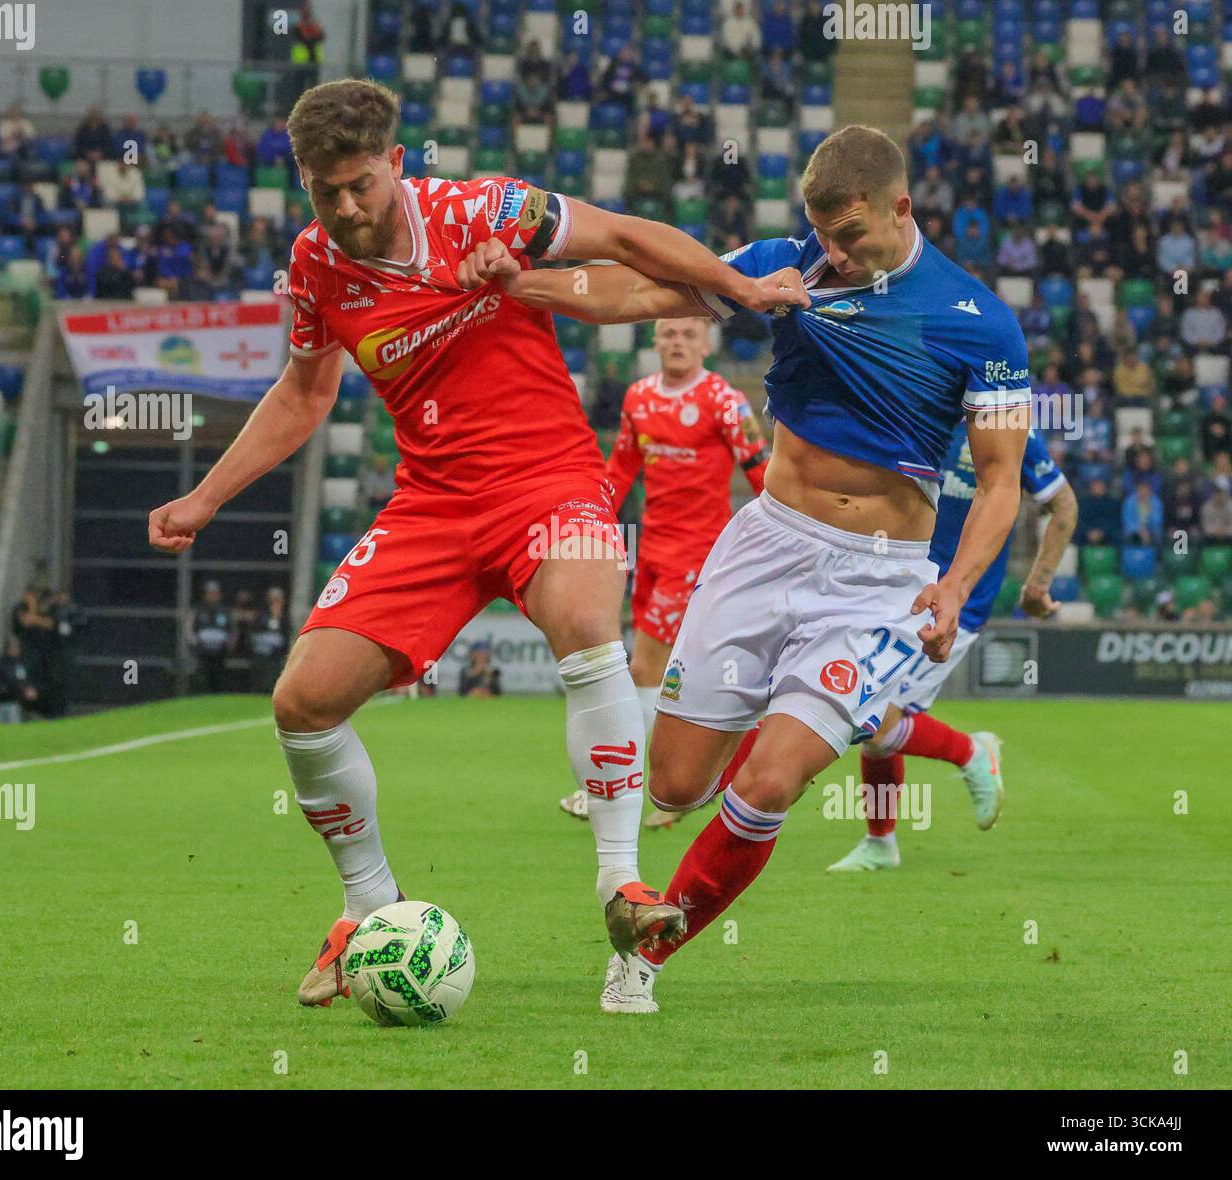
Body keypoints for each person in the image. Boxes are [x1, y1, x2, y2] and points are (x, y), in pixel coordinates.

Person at [146, 78, 798, 1011]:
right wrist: (204, 498)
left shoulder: (481, 208)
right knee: (301, 701)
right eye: (322, 189)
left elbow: (618, 235)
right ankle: (369, 907)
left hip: (548, 479)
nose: (343, 207)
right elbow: (303, 395)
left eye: (360, 185)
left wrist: (731, 287)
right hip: (433, 506)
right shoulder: (315, 267)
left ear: (398, 164)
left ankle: (621, 885)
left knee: (583, 617)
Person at [459, 124, 1031, 1013]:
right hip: (764, 547)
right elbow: (639, 295)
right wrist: (522, 283)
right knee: (679, 783)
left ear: (901, 209)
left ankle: (647, 953)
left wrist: (954, 585)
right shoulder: (782, 265)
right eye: (822, 234)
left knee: (770, 780)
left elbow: (1000, 482)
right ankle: (803, 713)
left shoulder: (978, 322)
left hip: (879, 579)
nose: (833, 254)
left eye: (851, 236)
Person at [828, 425, 1077, 871]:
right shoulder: (917, 410)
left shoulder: (1008, 427)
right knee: (874, 721)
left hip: (956, 602)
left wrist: (1038, 583)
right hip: (897, 587)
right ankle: (880, 843)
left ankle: (970, 752)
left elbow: (1064, 506)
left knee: (873, 719)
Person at [559, 317, 769, 826]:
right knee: (674, 674)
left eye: (688, 335)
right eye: (668, 334)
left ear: (706, 345)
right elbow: (621, 468)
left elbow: (761, 471)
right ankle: (684, 786)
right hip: (650, 550)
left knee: (644, 668)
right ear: (653, 342)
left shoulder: (724, 401)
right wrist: (586, 517)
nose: (677, 342)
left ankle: (619, 788)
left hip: (698, 556)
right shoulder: (639, 397)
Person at [189, 580, 233, 693]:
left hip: (220, 651)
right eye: (209, 593)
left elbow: (232, 630)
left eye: (215, 593)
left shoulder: (225, 611)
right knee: (203, 677)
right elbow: (189, 629)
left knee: (219, 677)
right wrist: (195, 642)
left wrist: (229, 644)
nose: (212, 596)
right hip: (203, 651)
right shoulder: (198, 610)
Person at [250, 586, 289, 693]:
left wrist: (278, 617)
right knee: (259, 674)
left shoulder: (285, 618)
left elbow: (285, 634)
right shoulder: (261, 615)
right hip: (261, 651)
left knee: (273, 674)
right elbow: (255, 631)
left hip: (276, 654)